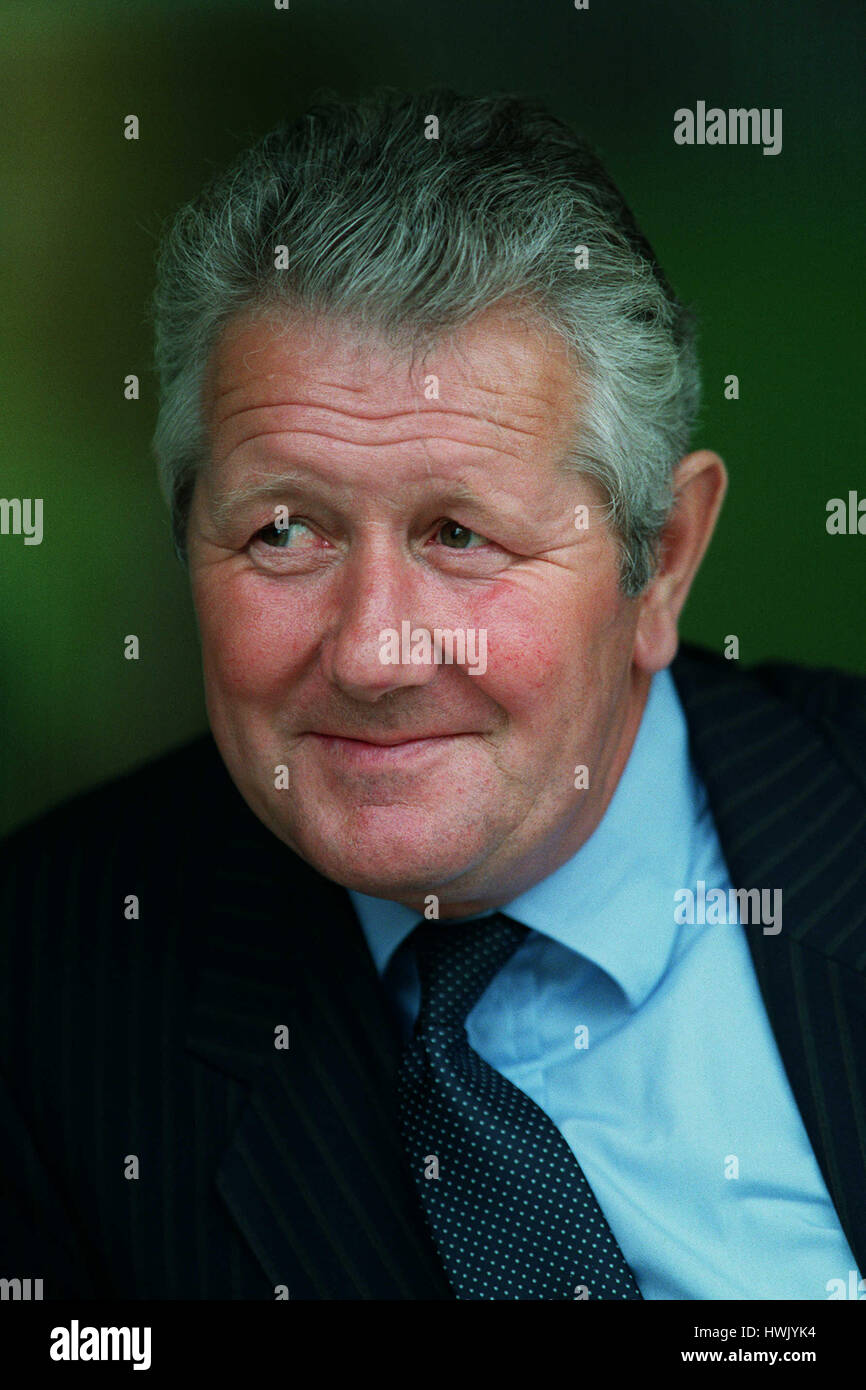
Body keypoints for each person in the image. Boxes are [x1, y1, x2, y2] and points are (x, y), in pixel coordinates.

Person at [2, 89, 864, 1302]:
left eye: (460, 534)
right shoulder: (42, 996)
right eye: (283, 530)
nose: (372, 654)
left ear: (659, 557)